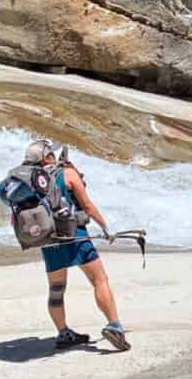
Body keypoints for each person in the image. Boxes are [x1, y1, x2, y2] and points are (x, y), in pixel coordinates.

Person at [23, 140, 130, 352]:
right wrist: (106, 227)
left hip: (49, 241)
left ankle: (64, 333)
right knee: (100, 280)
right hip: (76, 236)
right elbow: (88, 206)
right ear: (47, 157)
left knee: (56, 290)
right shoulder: (67, 175)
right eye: (51, 154)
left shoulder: (28, 182)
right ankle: (114, 325)